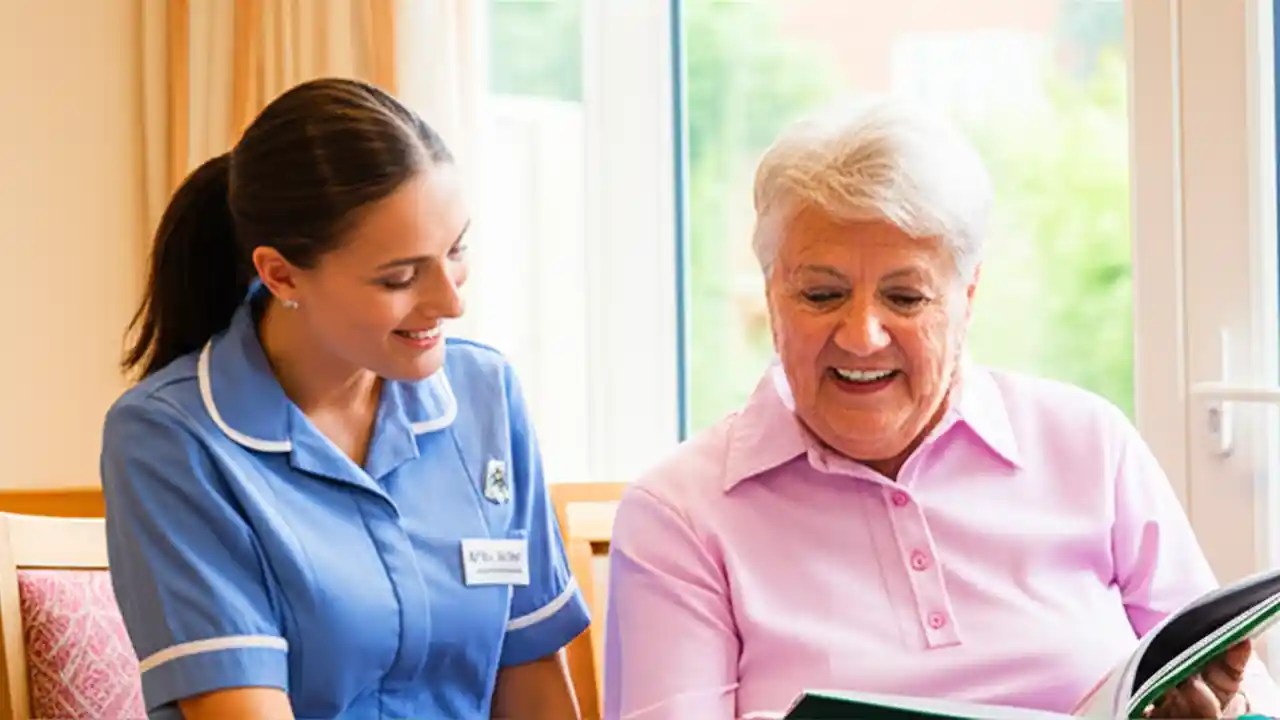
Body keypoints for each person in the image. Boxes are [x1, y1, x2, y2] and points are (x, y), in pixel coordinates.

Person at [602, 96, 1280, 719]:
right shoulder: (680, 514)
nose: (862, 335)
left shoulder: (1089, 444)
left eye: (905, 298)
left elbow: (1244, 689)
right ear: (772, 293)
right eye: (821, 295)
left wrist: (1223, 708)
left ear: (968, 297)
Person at [101, 77, 589, 720]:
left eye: (456, 250)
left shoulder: (486, 397)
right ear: (280, 273)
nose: (451, 301)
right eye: (401, 276)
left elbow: (532, 683)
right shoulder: (171, 438)